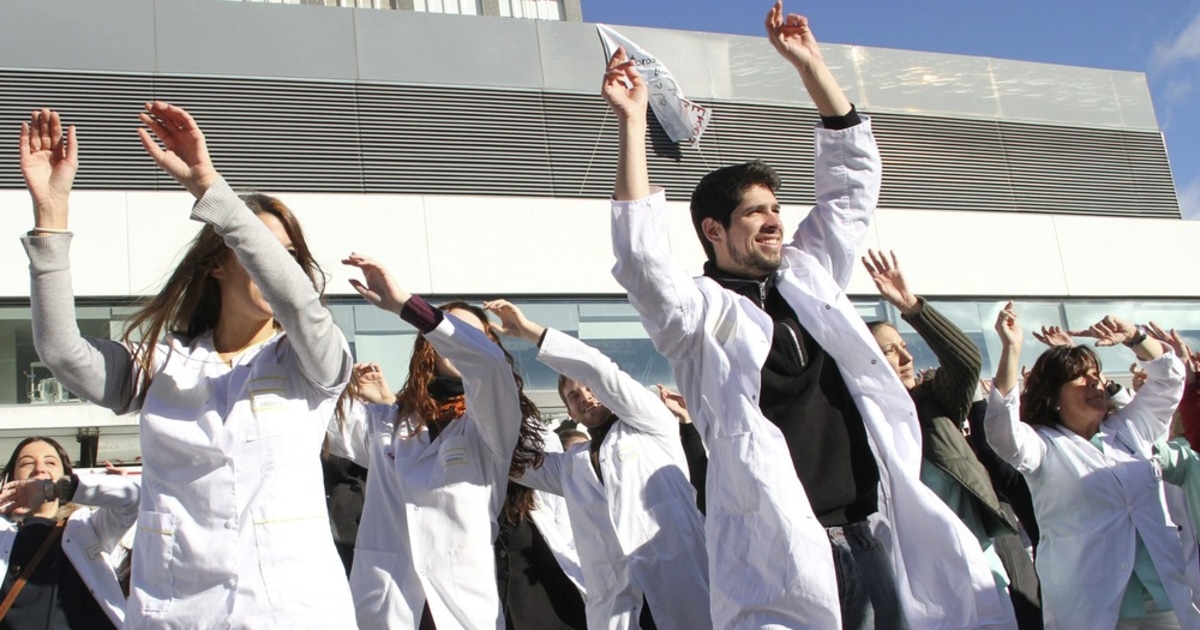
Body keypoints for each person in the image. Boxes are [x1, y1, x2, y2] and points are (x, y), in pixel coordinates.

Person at [604, 2, 1005, 627]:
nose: (775, 220)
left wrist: (811, 65)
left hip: (870, 535)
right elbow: (639, 258)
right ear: (714, 229)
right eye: (756, 213)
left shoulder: (810, 275)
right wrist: (633, 122)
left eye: (776, 207)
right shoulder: (697, 315)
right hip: (782, 551)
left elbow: (850, 186)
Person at [19, 105, 356, 627]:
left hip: (292, 612)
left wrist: (208, 186)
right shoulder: (162, 362)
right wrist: (52, 216)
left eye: (289, 256)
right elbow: (63, 352)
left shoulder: (312, 362)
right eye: (261, 251)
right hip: (176, 613)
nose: (279, 266)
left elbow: (299, 303)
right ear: (218, 263)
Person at [333, 255, 548, 629]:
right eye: (448, 331)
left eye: (472, 336)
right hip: (391, 608)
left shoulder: (491, 426)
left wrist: (404, 304)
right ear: (427, 347)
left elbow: (488, 366)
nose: (461, 344)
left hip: (461, 611)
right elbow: (315, 411)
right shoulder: (387, 423)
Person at [485, 299, 710, 630]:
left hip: (680, 592)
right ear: (571, 413)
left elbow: (601, 370)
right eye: (573, 396)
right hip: (618, 610)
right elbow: (510, 459)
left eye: (589, 389)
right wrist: (482, 379)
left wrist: (530, 333)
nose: (585, 397)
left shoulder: (651, 424)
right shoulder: (571, 467)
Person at [985, 303, 1200, 628]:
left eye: (1096, 374)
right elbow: (1001, 427)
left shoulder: (1130, 428)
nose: (1095, 382)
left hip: (1162, 596)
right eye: (1080, 377)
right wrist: (1011, 348)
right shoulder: (1043, 445)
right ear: (1054, 394)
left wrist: (1135, 336)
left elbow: (1169, 378)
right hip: (1094, 605)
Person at [863, 250, 1036, 628]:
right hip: (913, 578)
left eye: (904, 346)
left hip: (977, 560)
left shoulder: (933, 403)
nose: (905, 357)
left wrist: (911, 307)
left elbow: (966, 362)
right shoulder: (860, 425)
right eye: (890, 350)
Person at [0, 437, 138, 629]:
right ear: (12, 478)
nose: (39, 468)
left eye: (50, 462)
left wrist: (53, 489)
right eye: (27, 463)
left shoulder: (87, 526)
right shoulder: (3, 532)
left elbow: (133, 500)